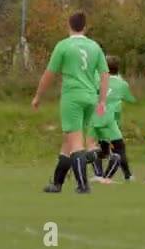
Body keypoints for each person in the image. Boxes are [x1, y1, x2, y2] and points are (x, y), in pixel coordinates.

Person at [32, 12, 109, 194]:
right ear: (85, 27)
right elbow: (105, 75)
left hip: (72, 97)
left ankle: (83, 185)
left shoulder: (64, 46)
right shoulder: (94, 46)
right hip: (90, 97)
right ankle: (57, 183)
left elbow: (49, 74)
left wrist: (38, 96)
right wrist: (102, 100)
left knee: (75, 142)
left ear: (68, 25)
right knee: (69, 140)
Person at [88, 55, 136, 183]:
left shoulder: (97, 79)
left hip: (96, 118)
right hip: (110, 119)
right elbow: (131, 99)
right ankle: (124, 176)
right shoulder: (122, 84)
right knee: (119, 148)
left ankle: (98, 174)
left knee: (98, 147)